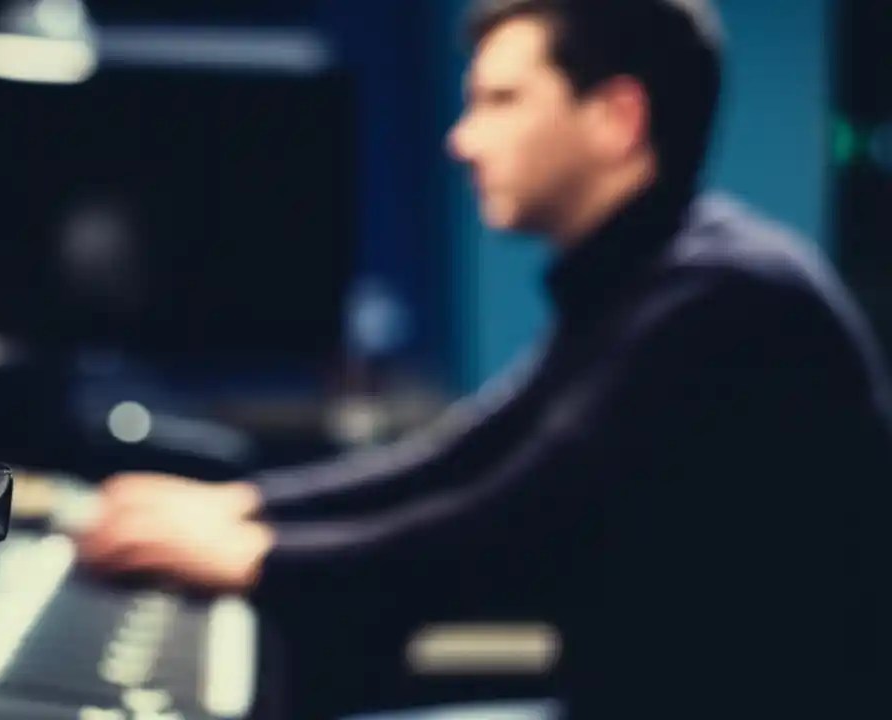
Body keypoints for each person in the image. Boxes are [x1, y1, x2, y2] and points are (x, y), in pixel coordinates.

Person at [76, 0, 892, 717]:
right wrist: (243, 506)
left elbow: (514, 526)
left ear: (617, 117)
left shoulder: (725, 298)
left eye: (500, 101)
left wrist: (259, 555)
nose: (461, 140)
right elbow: (466, 454)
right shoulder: (646, 276)